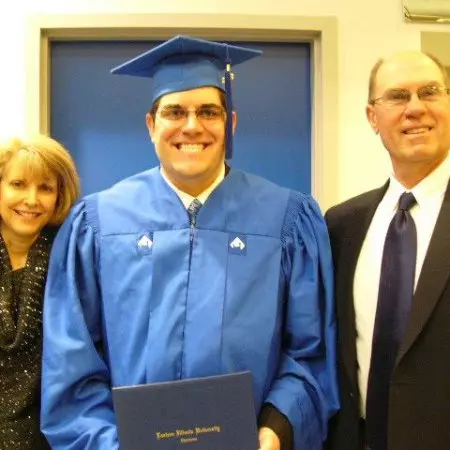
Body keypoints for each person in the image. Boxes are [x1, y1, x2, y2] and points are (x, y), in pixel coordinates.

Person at [41, 35, 339, 450]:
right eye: (174, 111)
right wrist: (108, 444)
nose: (192, 126)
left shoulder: (287, 220)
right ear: (151, 125)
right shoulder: (99, 223)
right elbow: (71, 362)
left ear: (230, 123)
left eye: (208, 112)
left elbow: (310, 353)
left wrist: (275, 431)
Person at [325, 50, 450, 450]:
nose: (415, 108)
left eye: (430, 92)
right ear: (372, 117)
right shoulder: (343, 224)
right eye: (397, 97)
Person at [0, 134, 79, 449]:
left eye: (45, 187)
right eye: (18, 184)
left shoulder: (75, 255)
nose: (31, 200)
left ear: (60, 195)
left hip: (54, 435)